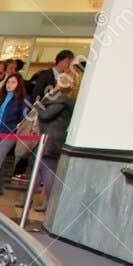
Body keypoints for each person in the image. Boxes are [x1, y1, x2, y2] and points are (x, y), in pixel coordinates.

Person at [27, 72, 77, 217]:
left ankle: (50, 202)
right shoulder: (66, 100)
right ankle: (29, 199)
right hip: (52, 139)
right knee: (39, 170)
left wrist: (37, 106)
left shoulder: (61, 100)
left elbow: (46, 115)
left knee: (47, 171)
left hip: (50, 140)